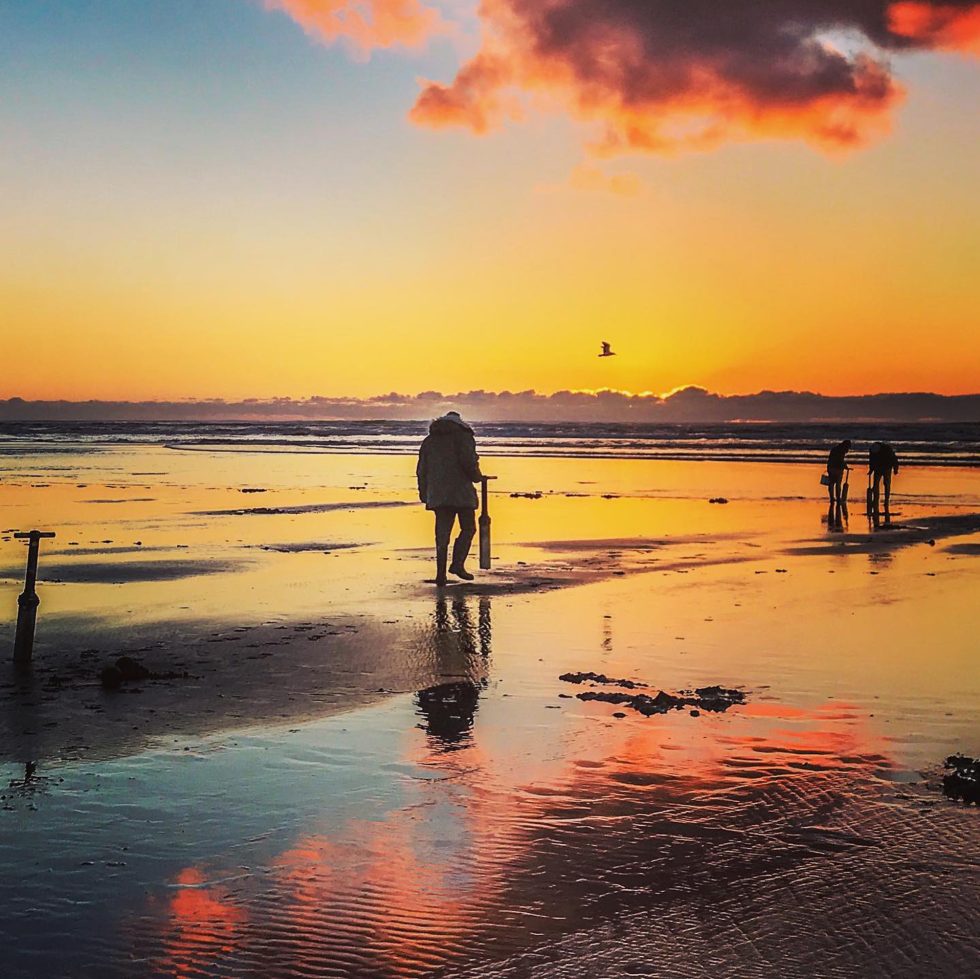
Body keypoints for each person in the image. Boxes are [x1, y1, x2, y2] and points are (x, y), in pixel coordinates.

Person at [417, 411, 484, 586]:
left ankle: (441, 575)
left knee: (442, 536)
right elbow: (469, 462)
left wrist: (424, 492)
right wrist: (477, 477)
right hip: (461, 492)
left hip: (438, 494)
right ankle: (457, 564)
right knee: (468, 528)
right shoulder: (463, 437)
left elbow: (421, 469)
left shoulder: (429, 441)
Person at [869, 441, 899, 513]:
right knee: (876, 484)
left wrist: (895, 469)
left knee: (887, 484)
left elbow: (894, 459)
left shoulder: (887, 449)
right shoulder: (872, 451)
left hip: (887, 468)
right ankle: (875, 500)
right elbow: (872, 460)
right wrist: (871, 469)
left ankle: (886, 500)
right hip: (878, 468)